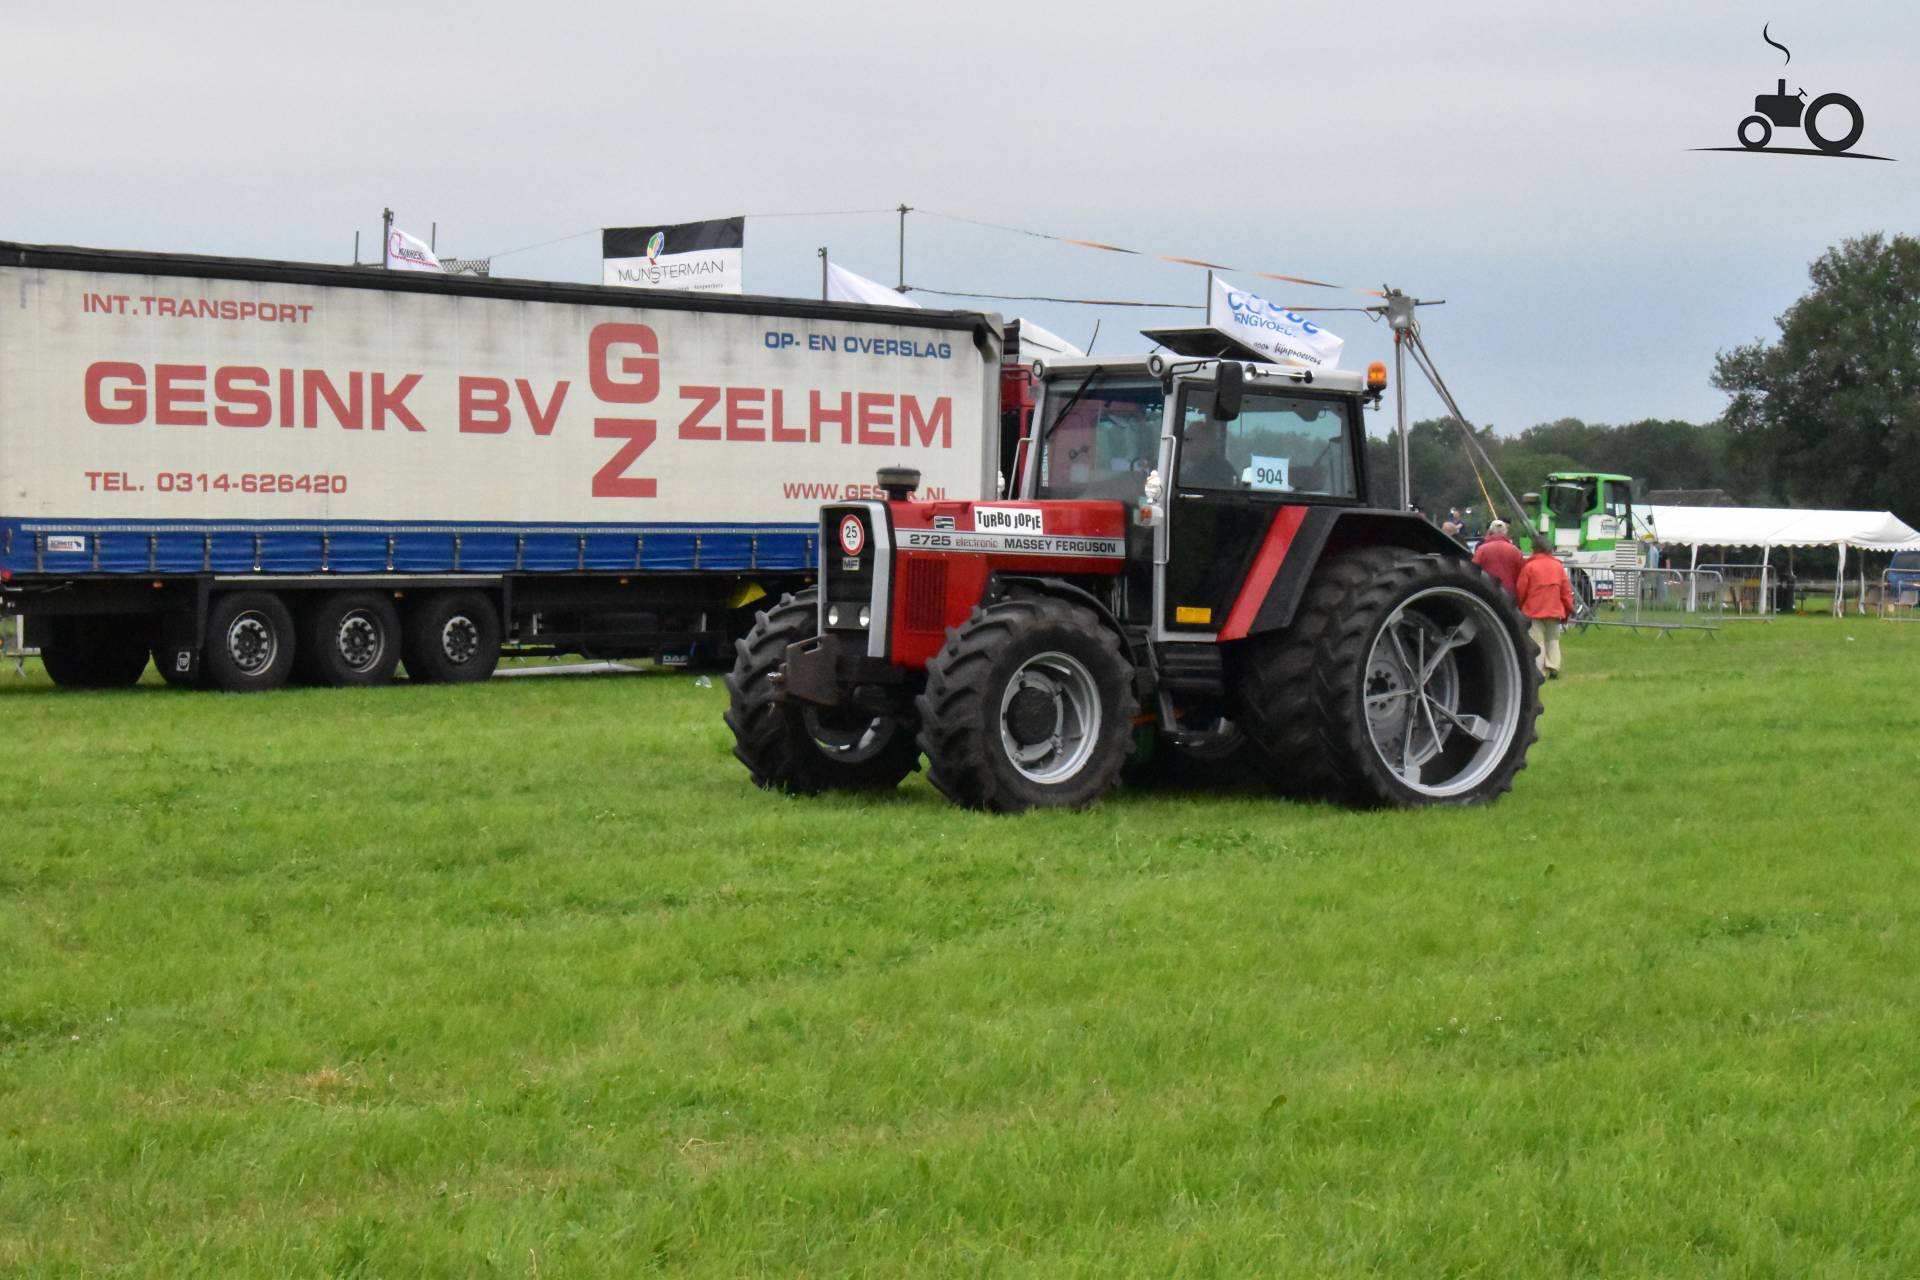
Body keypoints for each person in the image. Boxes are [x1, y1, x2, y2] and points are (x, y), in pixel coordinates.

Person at [1516, 548, 1575, 679]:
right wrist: (1569, 608)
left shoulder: (1529, 566)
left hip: (1533, 610)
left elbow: (1521, 590)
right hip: (1554, 609)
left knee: (1537, 641)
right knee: (1552, 640)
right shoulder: (1557, 566)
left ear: (1534, 550)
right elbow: (1565, 590)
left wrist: (1520, 606)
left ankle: (1539, 671)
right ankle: (1554, 666)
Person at [1471, 518, 1524, 597]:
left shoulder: (1481, 549)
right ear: (1505, 532)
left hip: (1487, 592)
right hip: (1509, 593)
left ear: (1490, 532)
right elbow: (1521, 574)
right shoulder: (1515, 550)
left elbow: (1473, 571)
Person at [1180, 420, 1239, 488]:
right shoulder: (1188, 465)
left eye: (1188, 440)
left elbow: (1189, 487)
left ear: (1205, 442)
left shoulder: (1217, 469)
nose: (1184, 444)